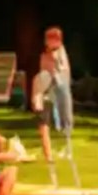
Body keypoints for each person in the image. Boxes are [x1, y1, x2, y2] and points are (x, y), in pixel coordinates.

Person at [35, 26, 73, 163]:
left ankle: (67, 147)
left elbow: (61, 70)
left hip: (60, 86)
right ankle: (52, 149)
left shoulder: (59, 52)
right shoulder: (45, 54)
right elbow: (43, 71)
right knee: (48, 118)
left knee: (65, 117)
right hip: (49, 87)